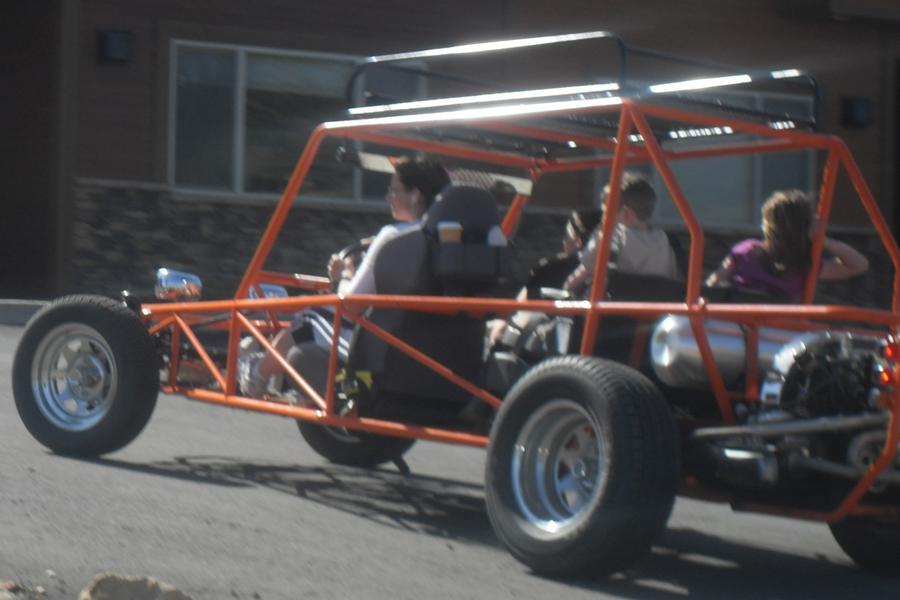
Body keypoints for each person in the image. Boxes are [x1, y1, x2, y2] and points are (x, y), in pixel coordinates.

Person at [238, 157, 450, 398]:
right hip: (434, 348)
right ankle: (273, 373)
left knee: (309, 318)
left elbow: (351, 302)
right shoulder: (450, 239)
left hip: (385, 347)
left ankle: (256, 376)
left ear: (416, 196)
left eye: (394, 189)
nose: (388, 196)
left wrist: (344, 276)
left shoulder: (392, 237)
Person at [705, 189, 869, 301]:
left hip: (738, 324)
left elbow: (712, 285)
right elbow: (859, 265)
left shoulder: (747, 251)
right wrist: (823, 240)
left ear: (767, 226)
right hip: (773, 331)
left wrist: (821, 239)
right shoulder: (804, 264)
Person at [563, 172, 680, 296]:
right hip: (655, 310)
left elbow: (579, 276)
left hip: (613, 311)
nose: (603, 218)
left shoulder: (610, 237)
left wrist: (564, 292)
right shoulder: (664, 240)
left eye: (606, 213)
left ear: (626, 214)